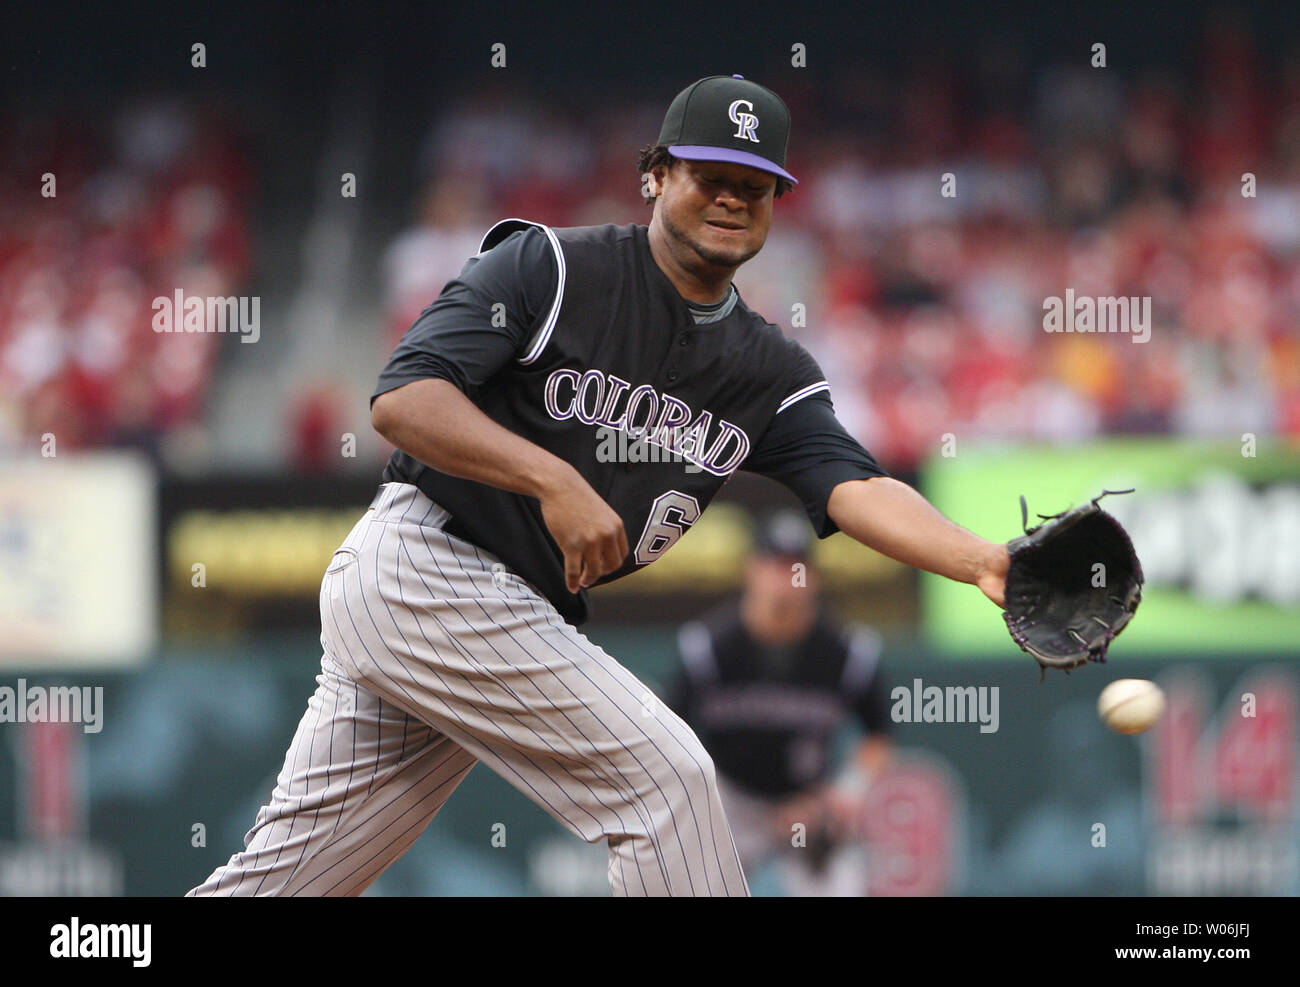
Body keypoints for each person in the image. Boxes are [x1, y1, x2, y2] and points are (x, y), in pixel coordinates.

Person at [188, 74, 1007, 898]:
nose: (732, 200)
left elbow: (855, 486)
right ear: (655, 174)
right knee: (670, 781)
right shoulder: (551, 267)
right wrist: (553, 479)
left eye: (753, 188)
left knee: (288, 883)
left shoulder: (767, 370)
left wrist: (980, 560)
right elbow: (405, 397)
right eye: (709, 178)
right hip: (428, 566)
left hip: (489, 609)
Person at [664, 509, 892, 896]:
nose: (785, 580)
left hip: (810, 804)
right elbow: (670, 737)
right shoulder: (708, 647)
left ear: (812, 578)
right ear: (750, 571)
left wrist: (843, 795)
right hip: (731, 802)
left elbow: (878, 736)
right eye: (774, 566)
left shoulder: (846, 652)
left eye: (795, 568)